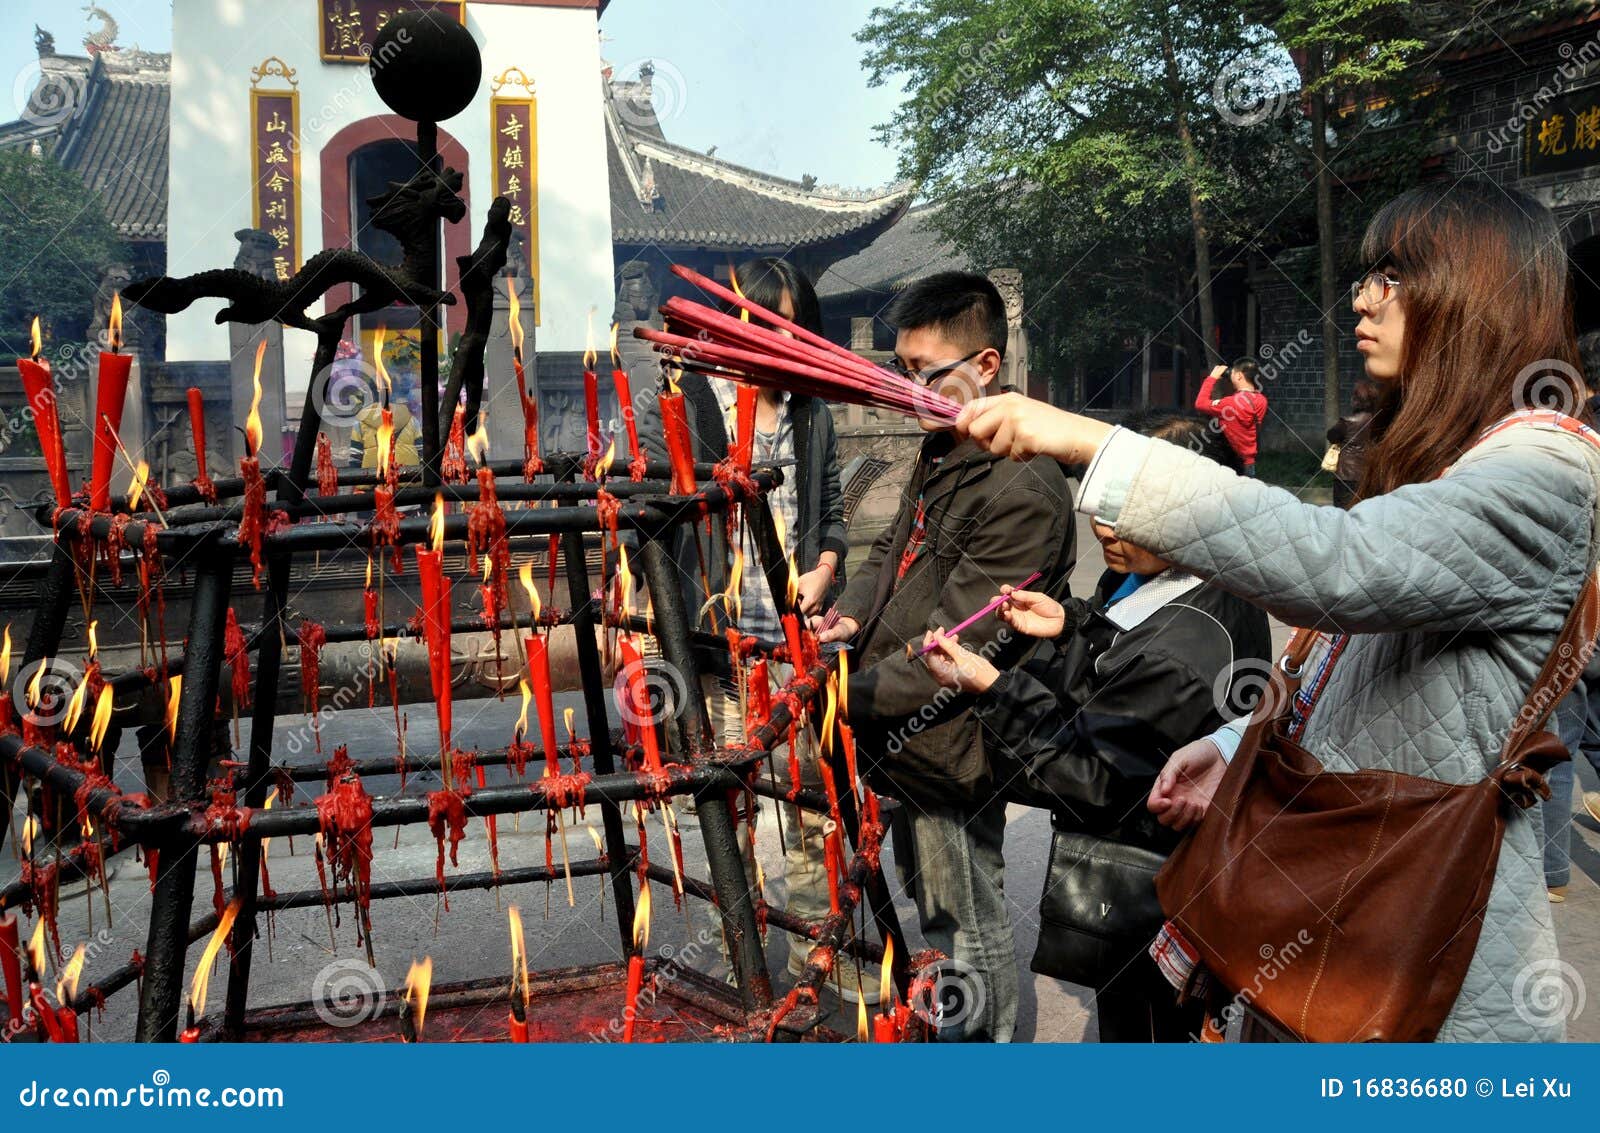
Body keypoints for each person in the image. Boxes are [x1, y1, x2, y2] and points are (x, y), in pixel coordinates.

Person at [951, 180, 1598, 1042]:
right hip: (1341, 889)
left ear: (1477, 295)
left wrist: (1093, 443)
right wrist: (1234, 747)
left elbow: (1339, 567)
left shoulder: (1541, 473)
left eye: (1395, 276)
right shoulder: (1455, 461)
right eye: (1368, 274)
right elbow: (1359, 663)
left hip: (1421, 931)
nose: (1363, 298)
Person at [918, 410, 1272, 1042]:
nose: (1102, 520)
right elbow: (1119, 663)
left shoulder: (1186, 649)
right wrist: (1074, 621)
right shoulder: (1177, 579)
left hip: (1154, 889)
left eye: (1131, 504)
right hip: (1170, 882)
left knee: (1149, 1036)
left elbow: (1087, 776)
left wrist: (995, 690)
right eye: (1103, 494)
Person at [815, 271, 1077, 1042]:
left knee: (963, 916)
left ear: (987, 366)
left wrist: (837, 697)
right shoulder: (945, 445)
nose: (908, 387)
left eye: (926, 372)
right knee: (935, 906)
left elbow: (960, 648)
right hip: (905, 729)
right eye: (901, 369)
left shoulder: (1023, 484)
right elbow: (890, 553)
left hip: (953, 733)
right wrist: (846, 616)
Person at [634, 258, 862, 996]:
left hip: (795, 642)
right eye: (759, 320)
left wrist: (826, 566)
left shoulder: (812, 409)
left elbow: (829, 507)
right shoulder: (698, 400)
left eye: (787, 323)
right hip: (720, 647)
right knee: (730, 809)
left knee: (808, 810)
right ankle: (745, 955)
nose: (773, 336)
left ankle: (809, 963)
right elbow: (652, 512)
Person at [1194, 359, 1267, 475]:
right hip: (1250, 462)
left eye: (1232, 373)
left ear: (1238, 376)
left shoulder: (1229, 404)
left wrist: (1212, 378)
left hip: (1233, 462)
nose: (1230, 375)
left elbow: (1200, 404)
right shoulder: (1262, 400)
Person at [1325, 379, 1381, 508]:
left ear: (1356, 400)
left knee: (1343, 511)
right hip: (1370, 473)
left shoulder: (1347, 422)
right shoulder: (1379, 422)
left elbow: (1332, 436)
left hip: (1347, 474)